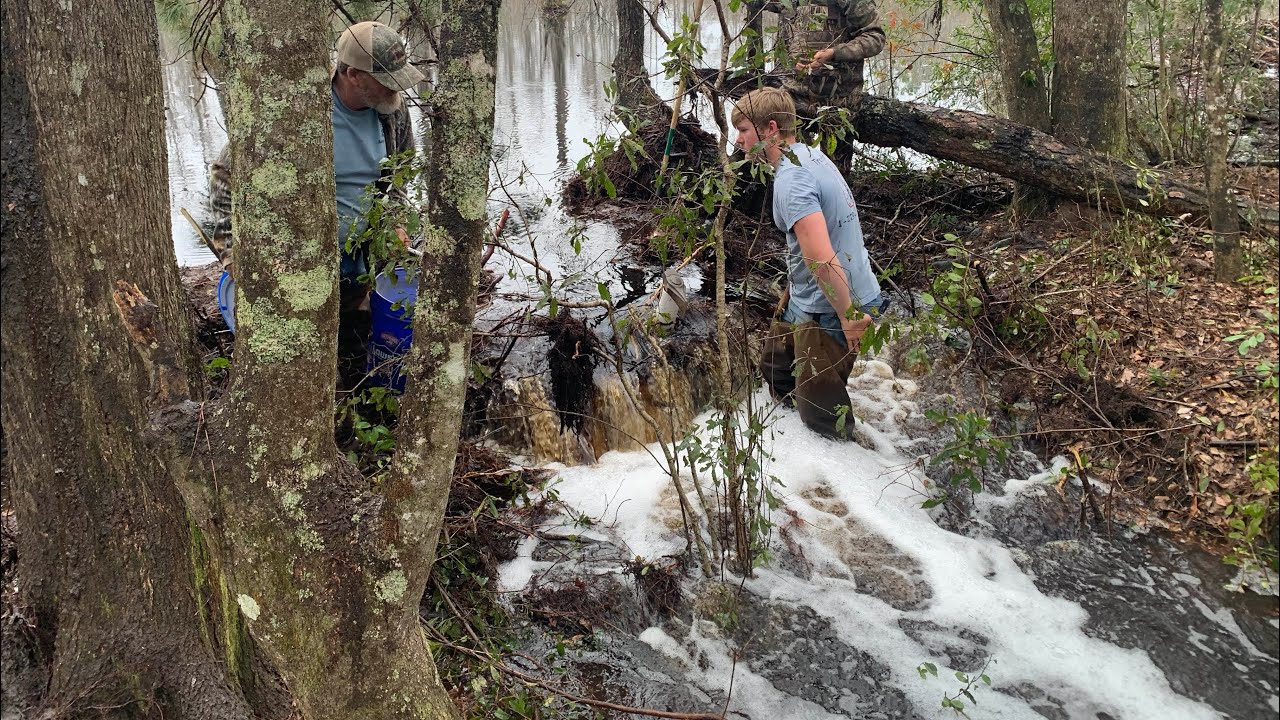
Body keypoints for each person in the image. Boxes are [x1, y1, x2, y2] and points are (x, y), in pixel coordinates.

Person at [204, 21, 424, 388]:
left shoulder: (391, 111)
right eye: (387, 78)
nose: (397, 88)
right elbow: (225, 178)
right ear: (353, 74)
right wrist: (232, 256)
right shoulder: (297, 108)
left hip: (359, 262)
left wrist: (396, 220)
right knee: (310, 367)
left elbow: (399, 177)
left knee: (356, 354)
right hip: (301, 266)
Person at [732, 87, 885, 440]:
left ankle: (849, 476)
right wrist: (792, 286)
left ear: (770, 129)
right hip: (810, 297)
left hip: (835, 306)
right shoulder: (807, 157)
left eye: (743, 130)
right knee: (776, 370)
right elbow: (812, 243)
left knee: (821, 418)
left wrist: (849, 317)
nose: (737, 140)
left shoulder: (793, 180)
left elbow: (820, 257)